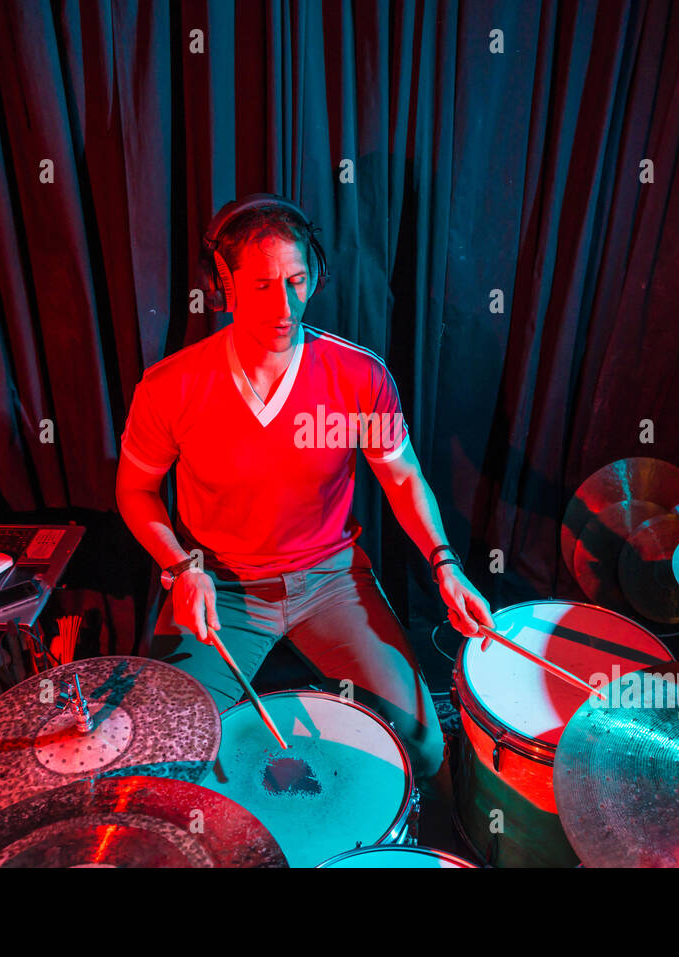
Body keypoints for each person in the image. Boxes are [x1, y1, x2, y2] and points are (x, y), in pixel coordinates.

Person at [115, 193, 495, 786]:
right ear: (225, 285)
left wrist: (445, 564)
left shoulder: (358, 374)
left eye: (296, 280)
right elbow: (135, 490)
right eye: (263, 285)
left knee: (421, 750)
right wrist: (179, 565)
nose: (284, 304)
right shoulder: (171, 386)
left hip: (330, 580)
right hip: (223, 584)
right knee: (165, 759)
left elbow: (401, 476)